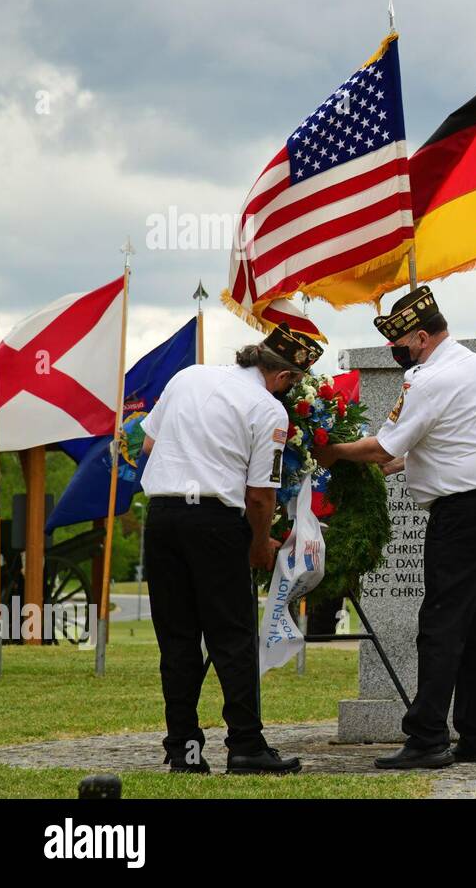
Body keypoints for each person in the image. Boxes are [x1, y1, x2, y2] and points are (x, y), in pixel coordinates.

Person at [314, 284, 476, 770]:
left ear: (422, 338)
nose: (398, 353)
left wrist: (333, 453)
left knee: (441, 625)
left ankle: (427, 737)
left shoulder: (427, 379)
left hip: (465, 513)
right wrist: (396, 465)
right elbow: (457, 441)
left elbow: (382, 448)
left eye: (401, 343)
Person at [140, 323, 322, 774]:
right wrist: (259, 544)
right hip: (216, 522)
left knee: (177, 639)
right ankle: (245, 744)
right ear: (284, 378)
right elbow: (260, 495)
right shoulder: (267, 409)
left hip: (162, 515)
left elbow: (147, 443)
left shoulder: (188, 377)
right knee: (233, 636)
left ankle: (182, 747)